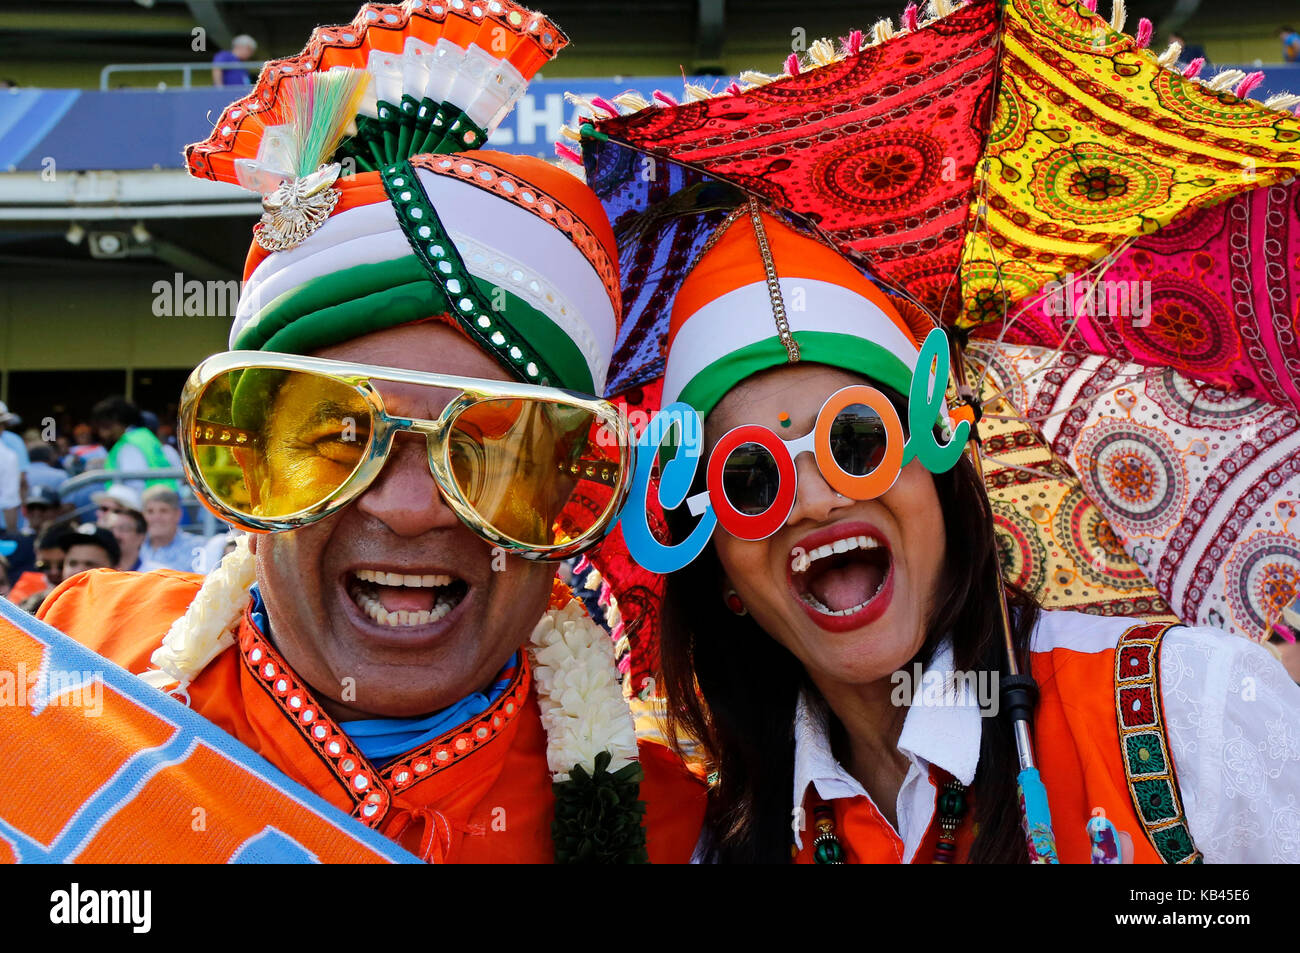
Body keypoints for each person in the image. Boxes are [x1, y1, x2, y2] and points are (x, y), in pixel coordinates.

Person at [34, 0, 704, 864]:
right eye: (336, 437)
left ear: (563, 498)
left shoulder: (672, 828)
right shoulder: (73, 661)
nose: (412, 506)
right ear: (251, 472)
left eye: (489, 449)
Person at [649, 204, 1300, 863]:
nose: (817, 501)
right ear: (723, 574)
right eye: (750, 480)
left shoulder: (1194, 710)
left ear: (940, 478)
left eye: (857, 439)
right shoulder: (725, 842)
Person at [90, 396, 178, 494]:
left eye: (105, 426)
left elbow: (134, 485)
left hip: (148, 500)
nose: (102, 434)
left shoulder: (128, 445)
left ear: (118, 422)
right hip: (167, 497)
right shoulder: (145, 436)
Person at [139, 485, 195, 572]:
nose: (156, 517)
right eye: (150, 511)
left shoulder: (197, 549)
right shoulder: (133, 547)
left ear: (178, 514)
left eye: (163, 511)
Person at [11, 524, 65, 609]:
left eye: (61, 565)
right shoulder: (26, 585)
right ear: (36, 554)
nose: (54, 572)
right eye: (45, 565)